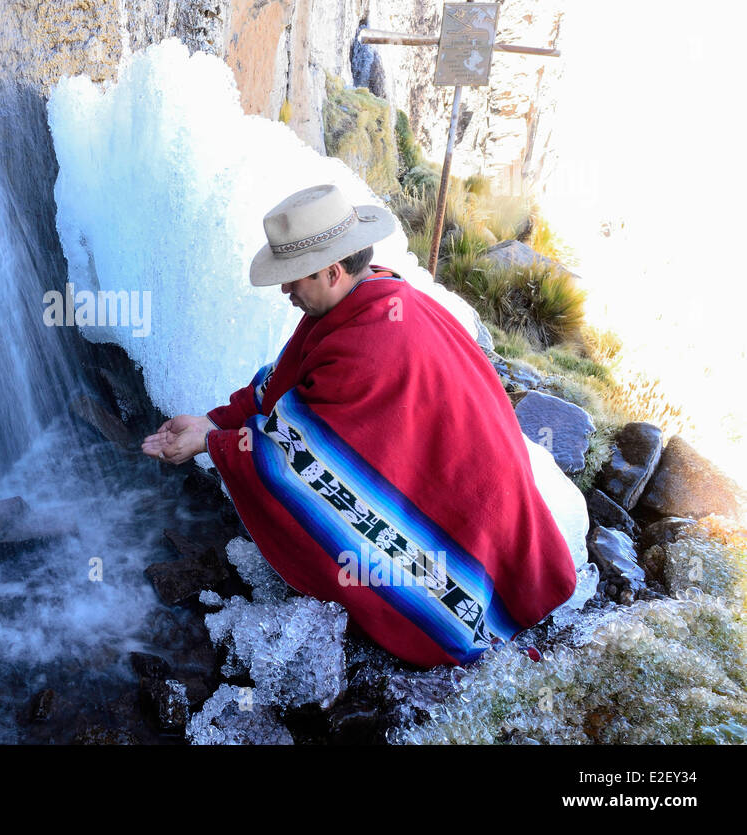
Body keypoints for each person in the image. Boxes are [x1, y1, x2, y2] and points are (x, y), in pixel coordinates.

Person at [141, 183, 578, 667]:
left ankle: (472, 623)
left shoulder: (370, 344)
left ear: (331, 271)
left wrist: (214, 444)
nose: (285, 290)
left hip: (477, 501)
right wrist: (212, 421)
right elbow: (291, 382)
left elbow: (297, 458)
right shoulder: (371, 293)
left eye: (293, 278)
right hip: (484, 483)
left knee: (445, 608)